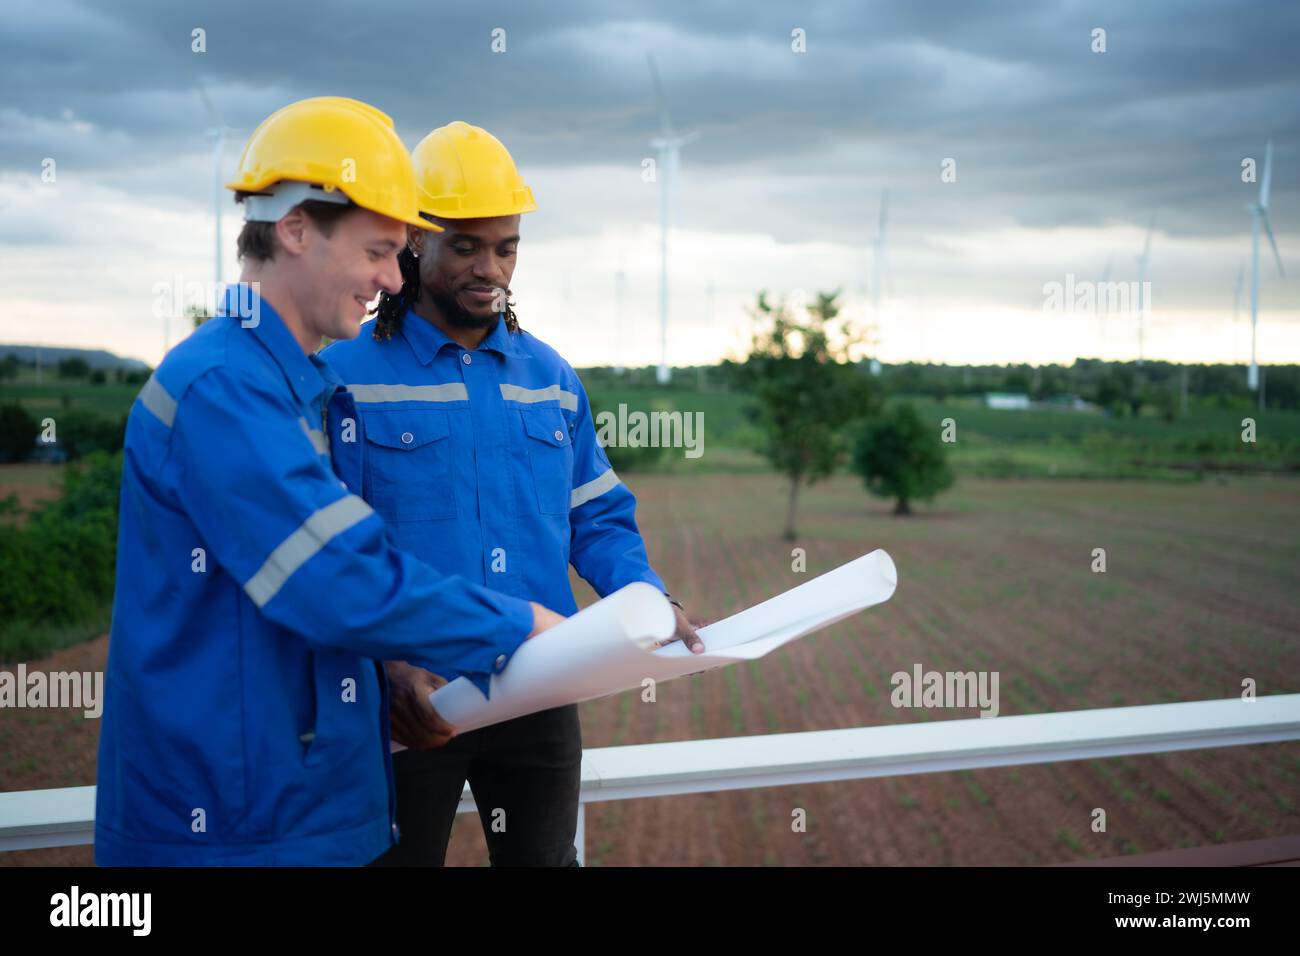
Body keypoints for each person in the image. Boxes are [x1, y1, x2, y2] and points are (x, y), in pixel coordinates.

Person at [95, 98, 563, 866]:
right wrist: (526, 631)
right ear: (295, 229)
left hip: (307, 813)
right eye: (380, 249)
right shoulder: (224, 390)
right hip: (238, 830)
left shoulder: (297, 388)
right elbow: (337, 581)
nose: (392, 276)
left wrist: (394, 672)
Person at [323, 121, 702, 867]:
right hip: (409, 696)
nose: (489, 266)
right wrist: (385, 668)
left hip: (540, 684)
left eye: (506, 246)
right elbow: (331, 552)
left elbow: (596, 517)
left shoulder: (551, 378)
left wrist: (648, 598)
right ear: (413, 242)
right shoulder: (345, 375)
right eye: (465, 244)